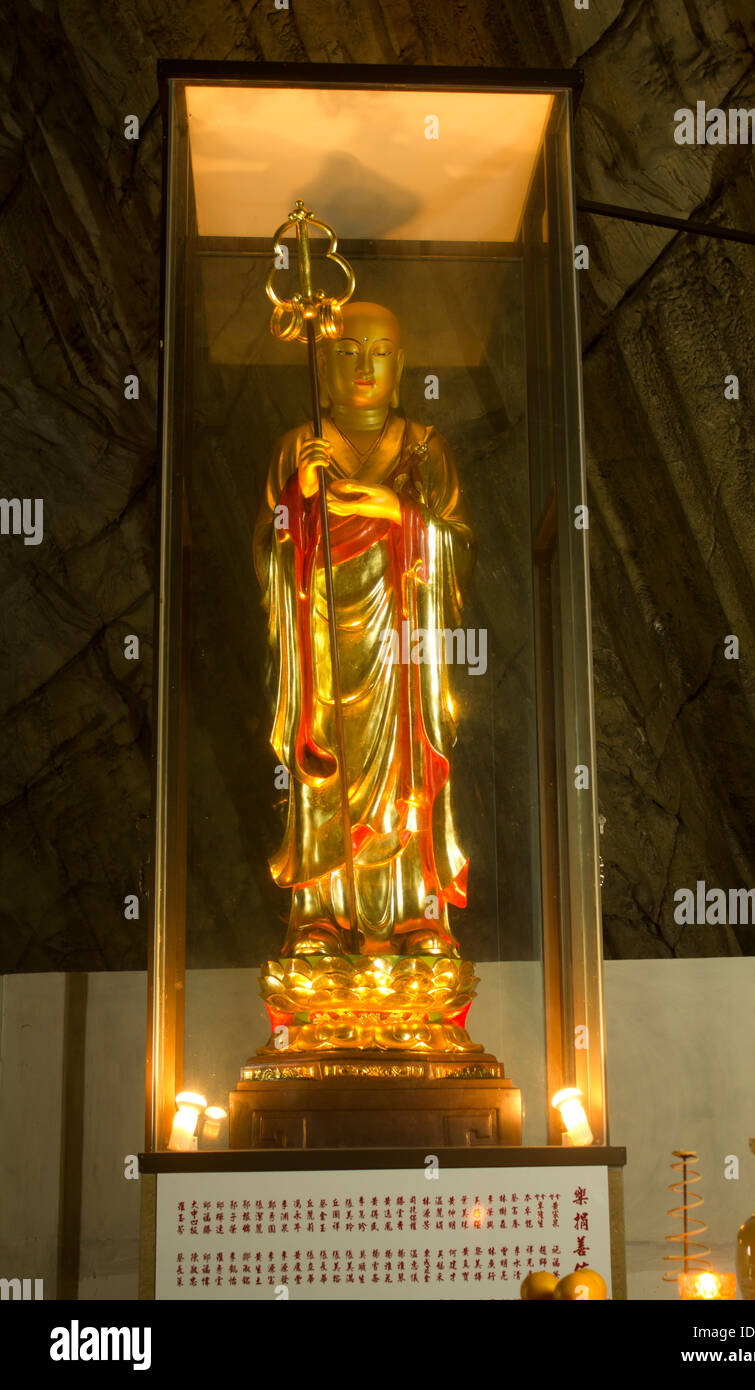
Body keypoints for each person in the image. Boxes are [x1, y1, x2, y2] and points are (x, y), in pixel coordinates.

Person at [254, 302, 475, 959]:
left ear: (400, 365)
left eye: (380, 351)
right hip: (323, 648)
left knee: (405, 772)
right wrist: (298, 497)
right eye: (348, 350)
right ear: (322, 364)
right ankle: (320, 916)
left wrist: (399, 513)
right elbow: (268, 550)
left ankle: (414, 916)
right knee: (323, 765)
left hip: (402, 654)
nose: (364, 365)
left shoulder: (425, 448)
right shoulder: (299, 446)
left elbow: (459, 550)